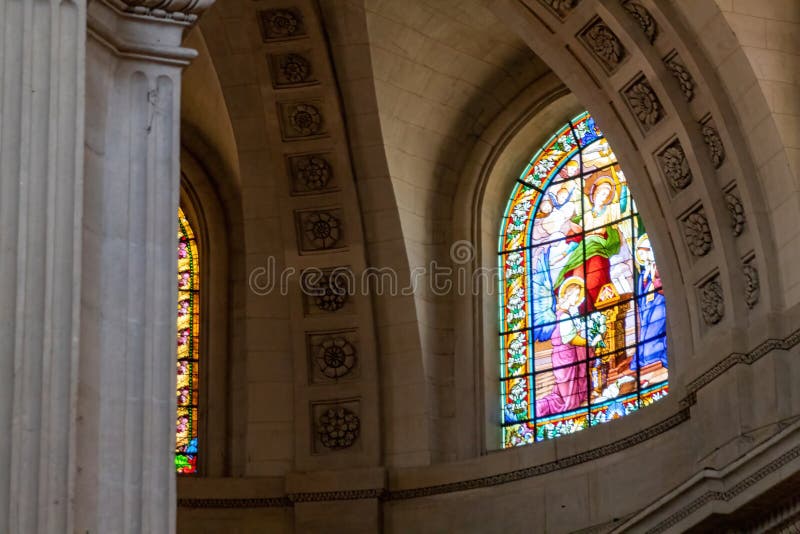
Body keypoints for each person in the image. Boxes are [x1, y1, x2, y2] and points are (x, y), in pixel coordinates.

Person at [553, 176, 622, 313]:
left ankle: (601, 313)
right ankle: (584, 316)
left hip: (598, 251)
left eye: (607, 195)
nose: (604, 197)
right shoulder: (585, 217)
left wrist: (624, 186)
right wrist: (563, 255)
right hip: (582, 253)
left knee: (595, 282)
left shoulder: (610, 211)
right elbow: (578, 239)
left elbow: (623, 206)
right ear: (595, 193)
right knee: (578, 282)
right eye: (602, 193)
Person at [535, 277, 592, 417]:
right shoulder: (564, 316)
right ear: (568, 294)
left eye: (579, 295)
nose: (578, 298)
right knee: (567, 398)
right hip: (565, 356)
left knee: (564, 392)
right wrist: (589, 341)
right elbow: (570, 338)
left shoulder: (560, 313)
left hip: (563, 355)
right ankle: (540, 408)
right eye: (576, 295)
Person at [631, 234, 668, 370]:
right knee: (645, 338)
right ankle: (646, 359)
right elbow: (641, 294)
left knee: (654, 336)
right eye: (641, 254)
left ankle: (657, 356)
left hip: (659, 305)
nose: (644, 257)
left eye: (646, 253)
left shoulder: (659, 268)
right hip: (647, 309)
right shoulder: (643, 275)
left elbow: (663, 286)